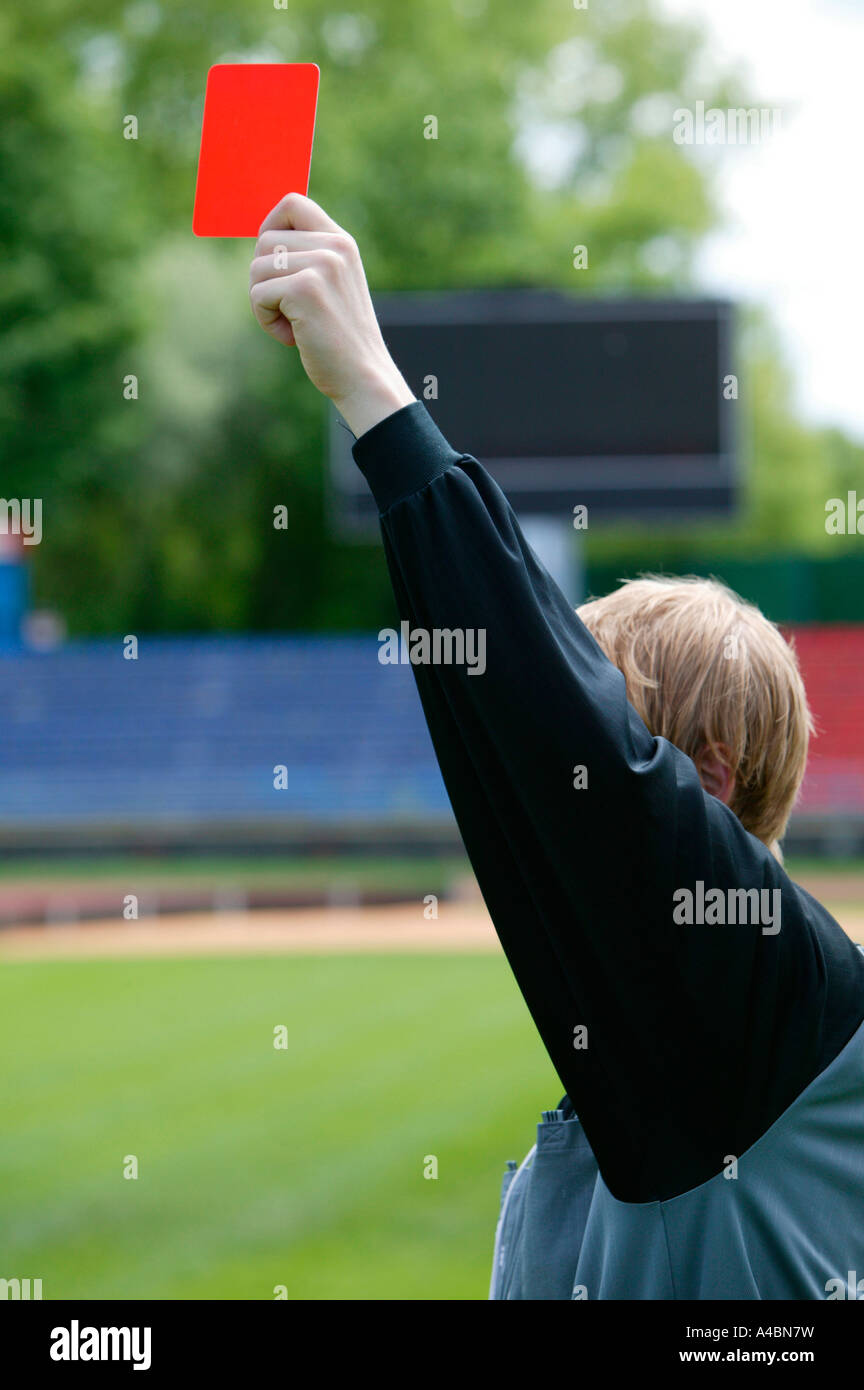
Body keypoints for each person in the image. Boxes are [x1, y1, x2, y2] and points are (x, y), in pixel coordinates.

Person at [249, 192, 864, 1300]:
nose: (547, 797)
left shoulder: (778, 998)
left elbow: (549, 732)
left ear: (706, 780)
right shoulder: (656, 1077)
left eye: (609, 713)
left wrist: (378, 401)